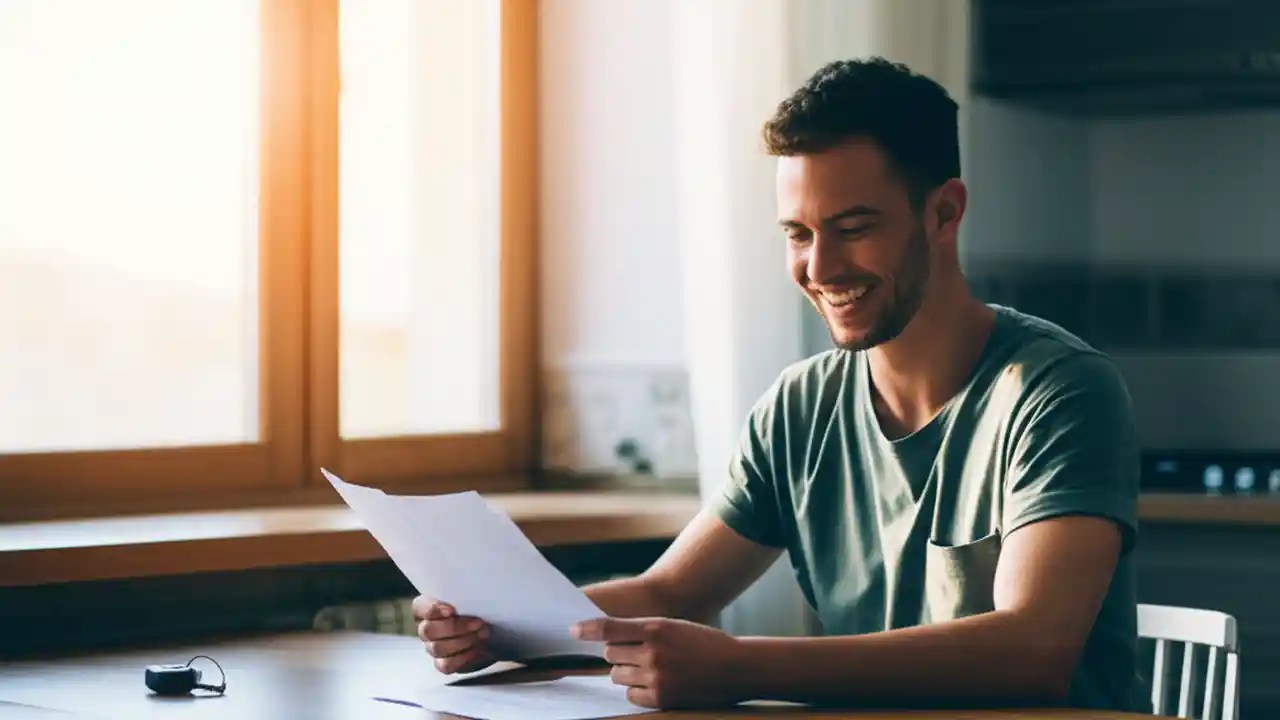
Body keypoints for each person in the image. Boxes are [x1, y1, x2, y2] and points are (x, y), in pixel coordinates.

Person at [412, 57, 1147, 712]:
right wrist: (501, 627)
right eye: (798, 234)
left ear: (944, 212)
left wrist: (740, 667)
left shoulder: (1059, 394)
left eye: (854, 227)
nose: (820, 270)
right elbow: (670, 593)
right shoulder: (802, 406)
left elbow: (1032, 654)